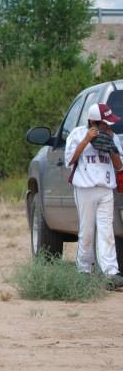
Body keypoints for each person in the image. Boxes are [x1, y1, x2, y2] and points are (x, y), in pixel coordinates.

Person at [65, 102, 123, 288]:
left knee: (107, 232)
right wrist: (86, 141)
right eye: (105, 123)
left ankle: (110, 273)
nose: (108, 126)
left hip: (106, 188)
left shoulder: (112, 137)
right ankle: (84, 270)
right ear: (93, 122)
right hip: (85, 188)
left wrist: (112, 149)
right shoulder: (77, 134)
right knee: (87, 231)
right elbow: (70, 161)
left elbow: (119, 166)